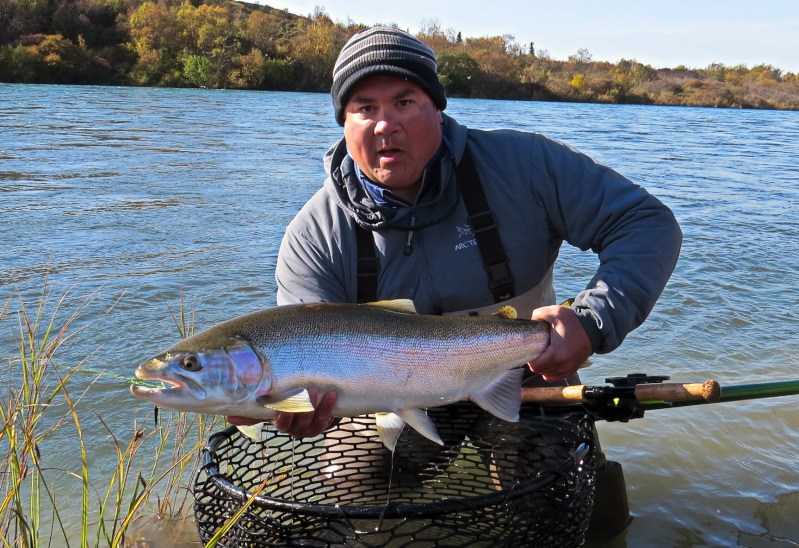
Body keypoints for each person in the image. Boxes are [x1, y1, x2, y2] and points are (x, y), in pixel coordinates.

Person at [229, 25, 682, 541]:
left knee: (559, 501)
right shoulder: (314, 236)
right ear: (344, 122)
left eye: (404, 101)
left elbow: (647, 225)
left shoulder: (525, 167)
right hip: (389, 397)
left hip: (528, 373)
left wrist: (591, 321)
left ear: (437, 108)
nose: (384, 124)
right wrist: (306, 411)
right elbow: (305, 370)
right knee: (349, 487)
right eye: (364, 107)